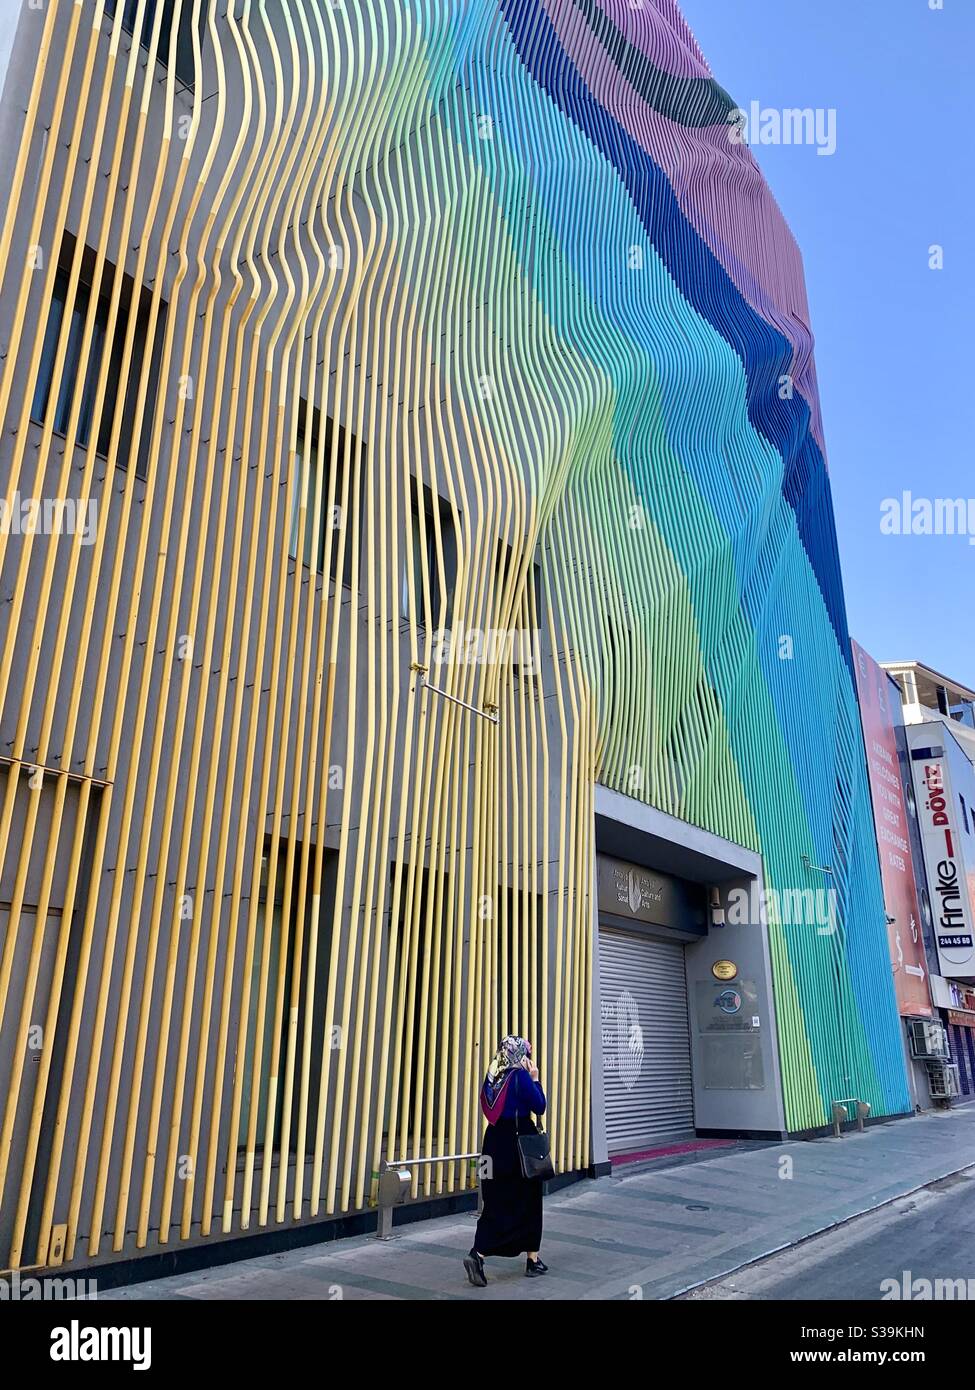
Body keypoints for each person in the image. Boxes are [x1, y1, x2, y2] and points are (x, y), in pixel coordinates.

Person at [464, 1034, 549, 1287]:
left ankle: (527, 1257)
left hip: (493, 1143)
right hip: (519, 1145)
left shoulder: (493, 1076)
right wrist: (535, 1080)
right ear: (519, 1054)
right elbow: (540, 1106)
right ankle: (484, 1254)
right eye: (526, 1054)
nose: (528, 1059)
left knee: (496, 1200)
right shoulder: (520, 1077)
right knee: (527, 1200)